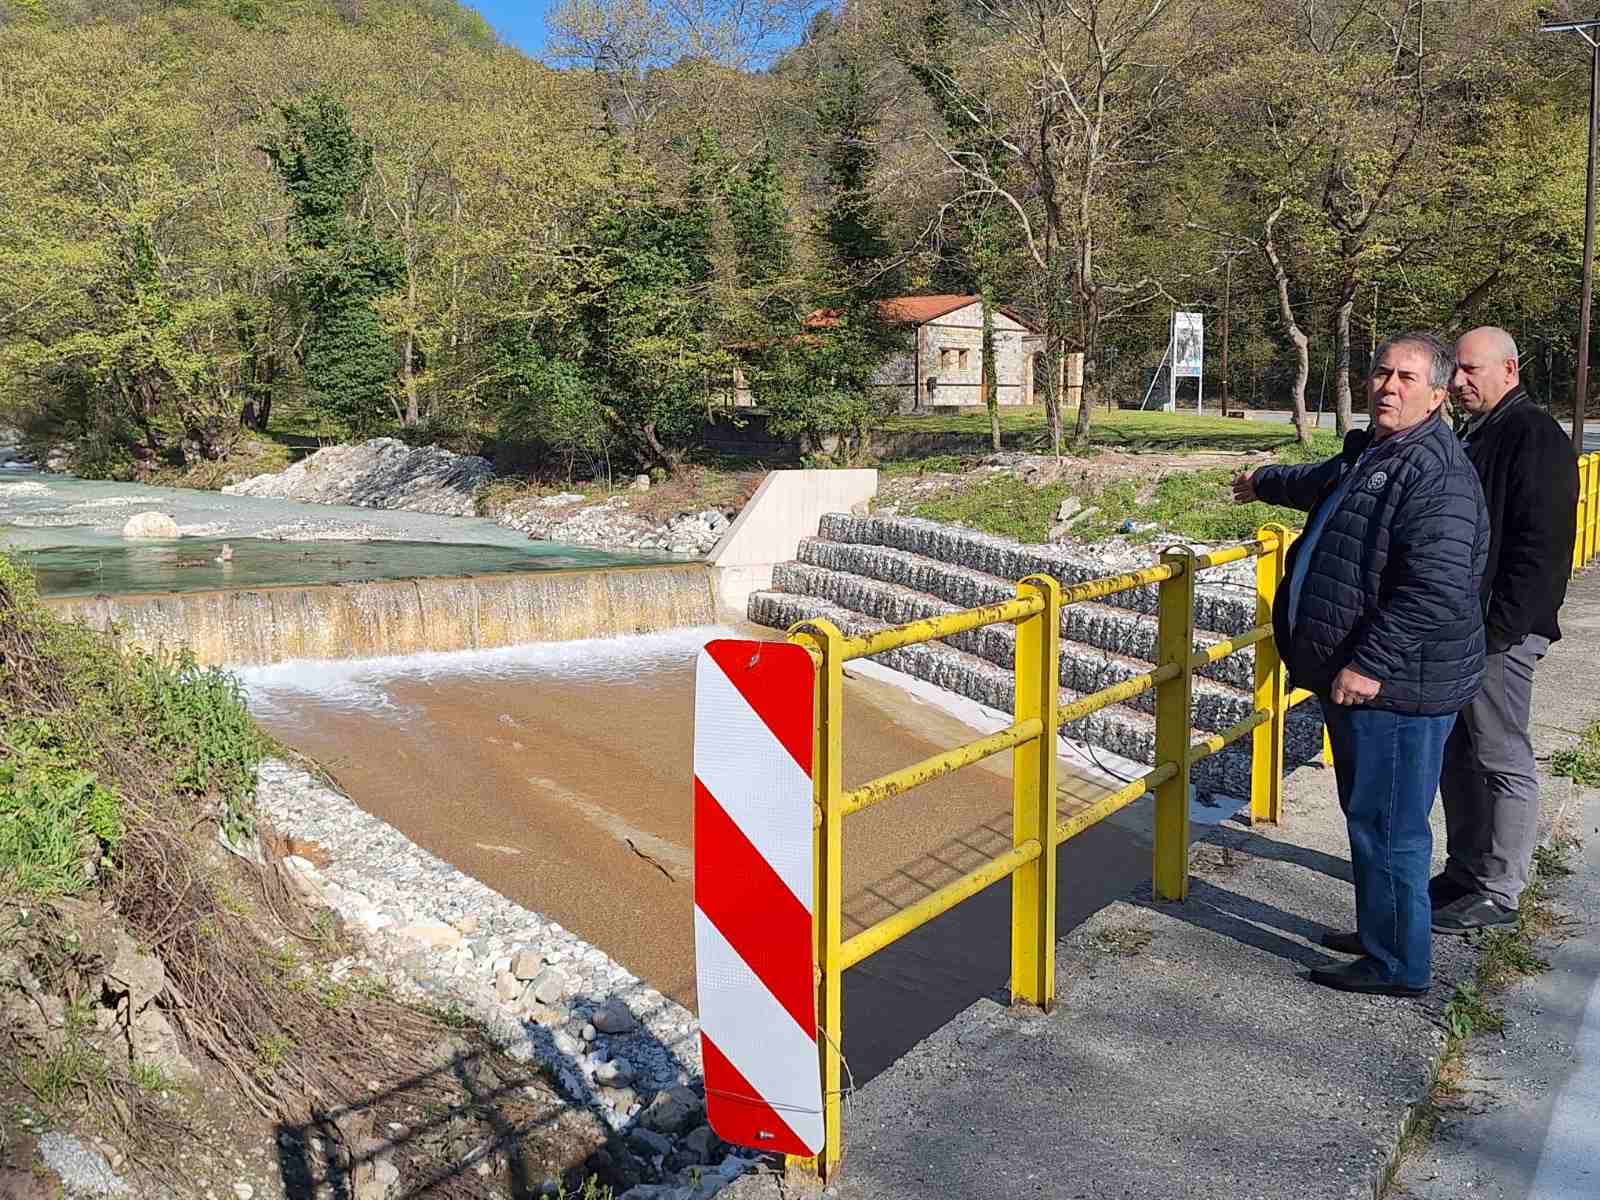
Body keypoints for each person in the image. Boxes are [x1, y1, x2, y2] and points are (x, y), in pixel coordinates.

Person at [1232, 332, 1489, 998]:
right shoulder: (1377, 450)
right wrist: (1263, 482)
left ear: (1437, 395)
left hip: (1398, 687)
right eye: (1382, 373)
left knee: (1390, 826)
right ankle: (1386, 935)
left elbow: (1436, 587)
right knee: (1370, 816)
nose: (1389, 386)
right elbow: (1323, 483)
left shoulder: (1435, 474)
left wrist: (1369, 664)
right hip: (1371, 682)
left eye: (1407, 378)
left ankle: (1399, 964)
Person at [1429, 327, 1580, 933]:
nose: (1459, 382)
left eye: (1470, 370)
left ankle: (1500, 886)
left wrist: (1501, 632)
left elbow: (1541, 550)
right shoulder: (1484, 430)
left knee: (1498, 755)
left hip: (1500, 633)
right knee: (1460, 753)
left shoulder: (1532, 434)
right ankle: (1466, 870)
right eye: (1455, 372)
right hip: (1472, 628)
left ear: (1509, 368)